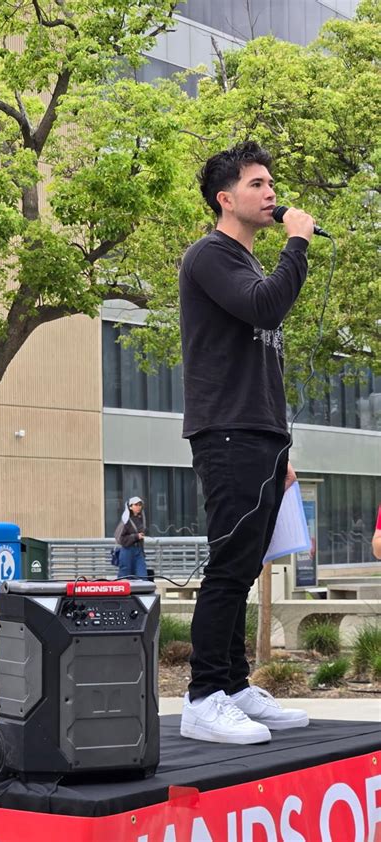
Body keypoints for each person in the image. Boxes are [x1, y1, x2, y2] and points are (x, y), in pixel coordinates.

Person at [179, 140, 313, 745]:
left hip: (259, 435)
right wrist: (299, 243)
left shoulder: (249, 264)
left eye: (270, 183)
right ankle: (202, 696)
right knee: (228, 569)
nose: (270, 193)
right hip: (227, 433)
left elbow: (265, 356)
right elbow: (266, 310)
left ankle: (233, 687)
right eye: (257, 184)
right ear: (225, 199)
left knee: (244, 565)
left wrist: (282, 450)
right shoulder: (210, 255)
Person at [116, 496, 148, 579]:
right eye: (136, 505)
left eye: (140, 504)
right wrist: (136, 536)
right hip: (127, 550)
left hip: (138, 550)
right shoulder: (125, 520)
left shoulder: (141, 519)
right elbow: (120, 539)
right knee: (125, 576)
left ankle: (143, 591)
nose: (138, 507)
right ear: (130, 507)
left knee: (142, 575)